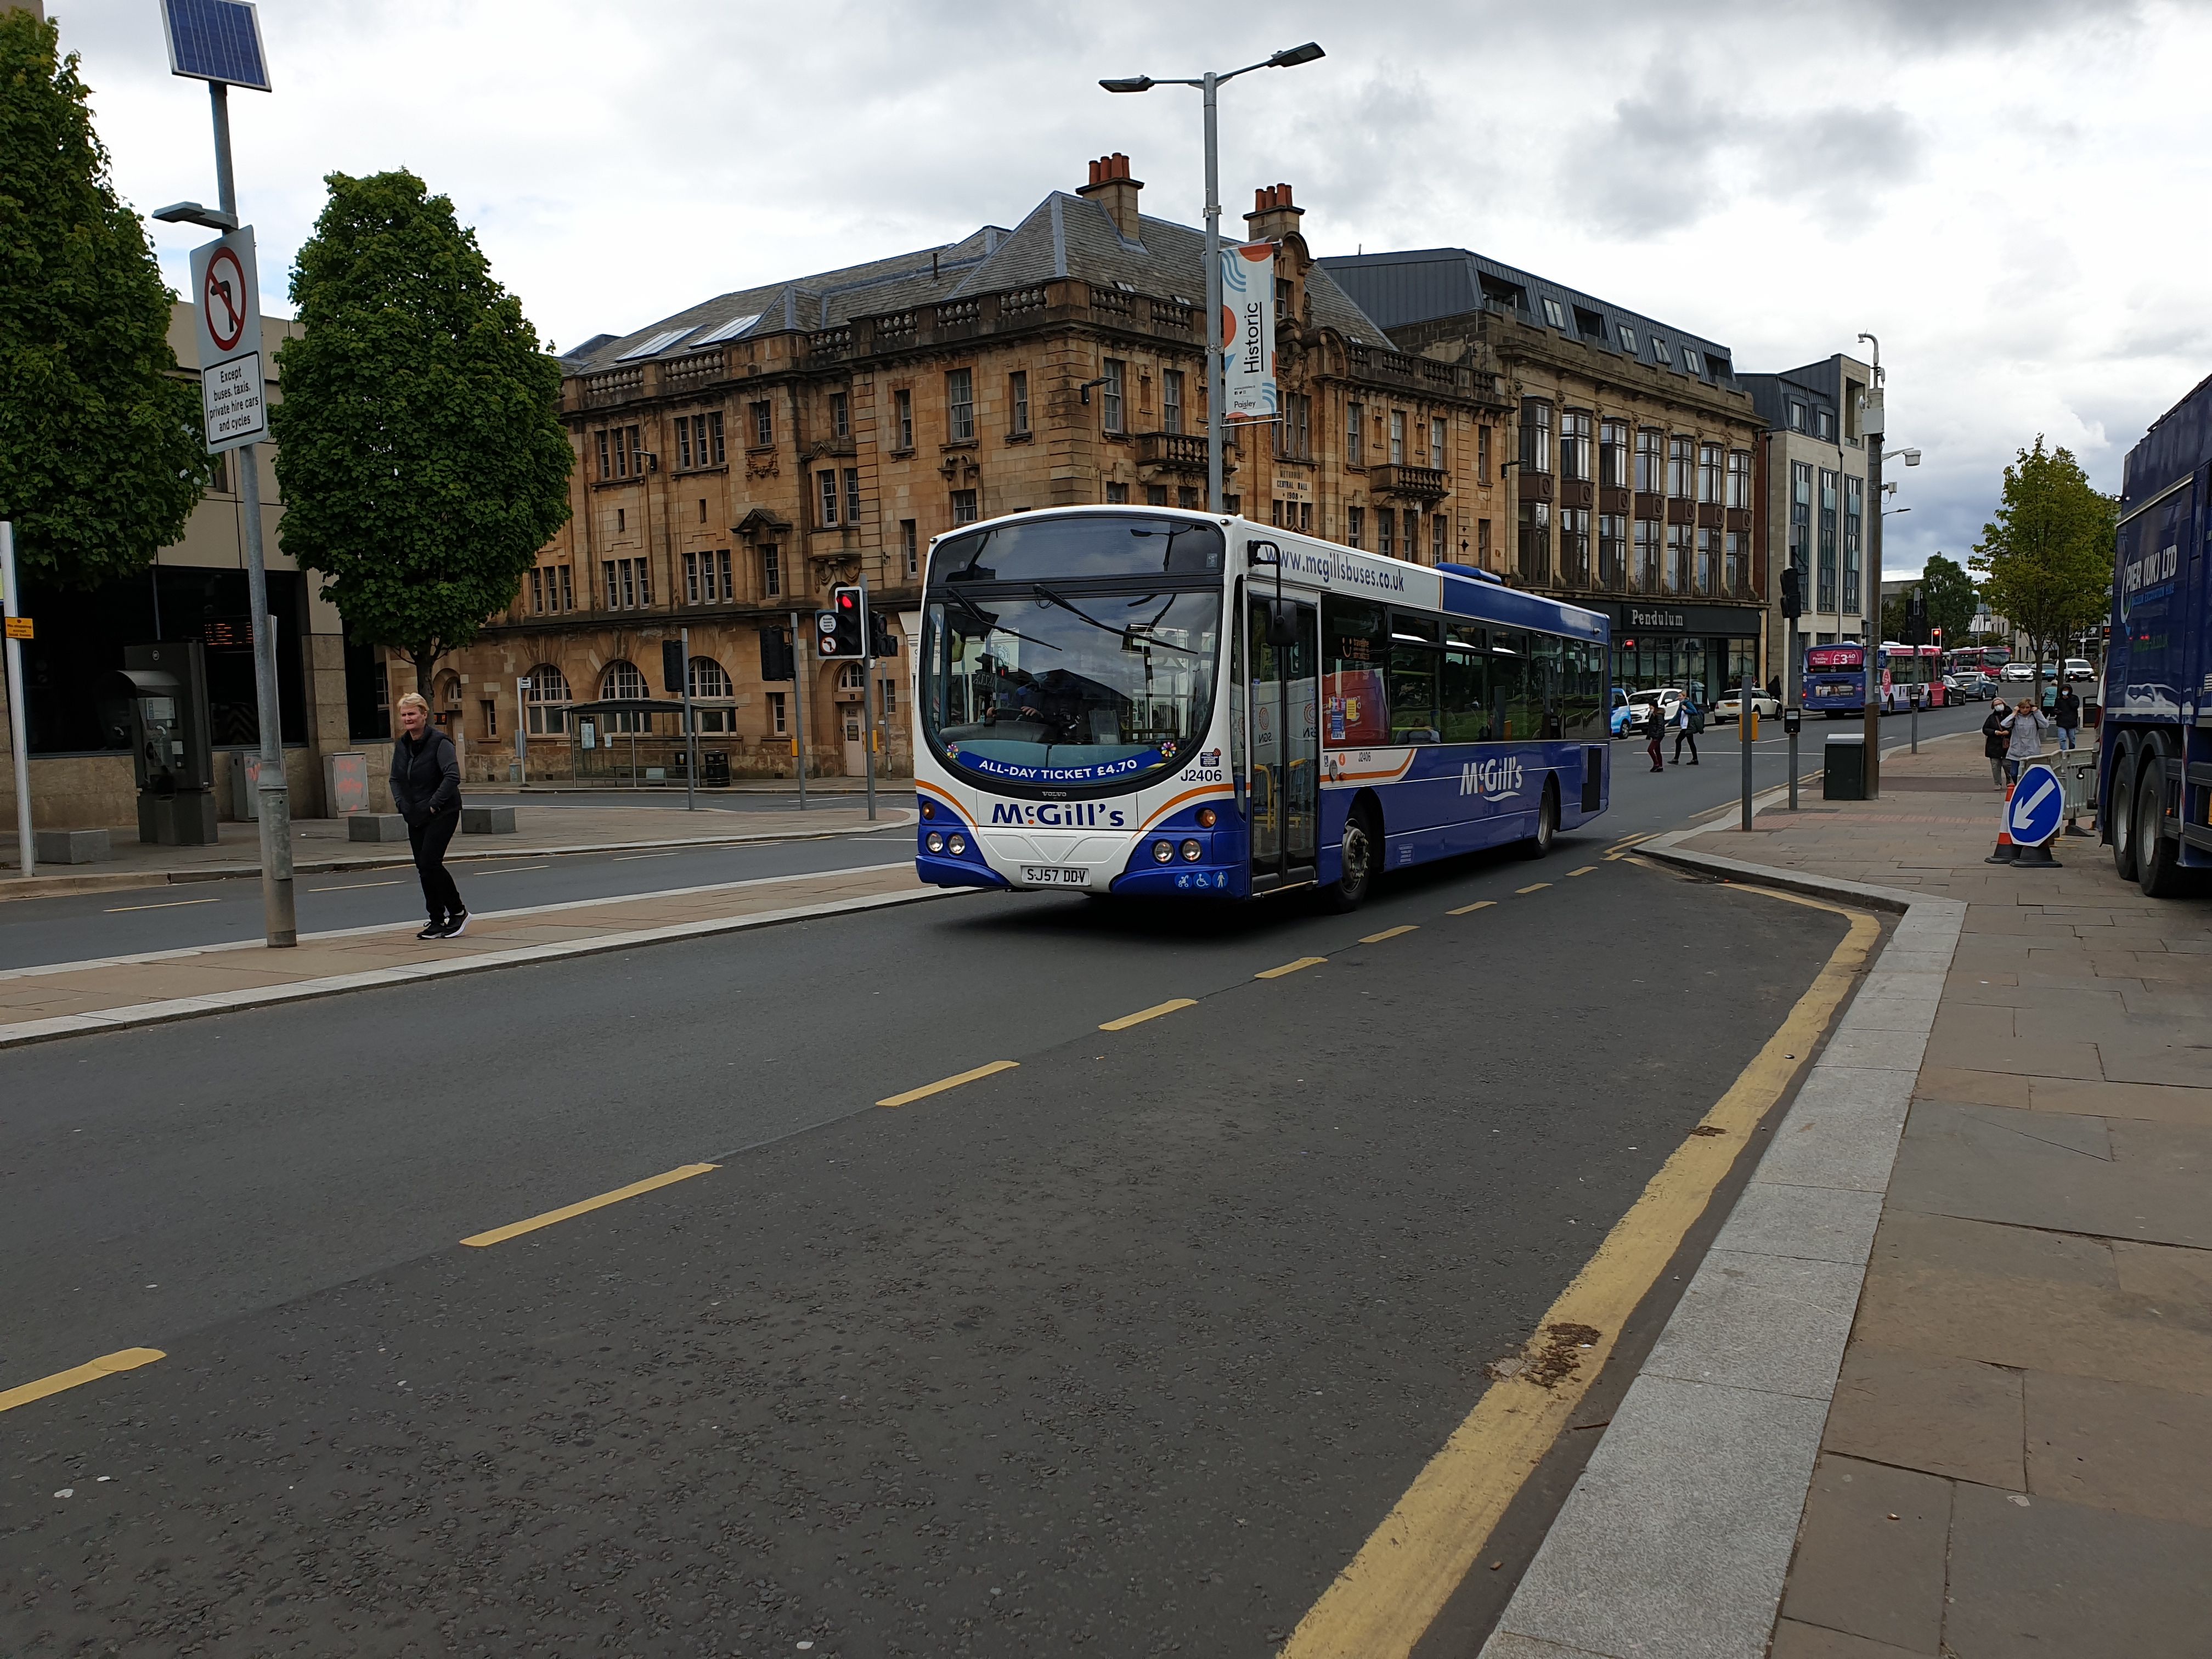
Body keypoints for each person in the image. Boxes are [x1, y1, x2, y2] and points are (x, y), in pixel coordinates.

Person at [389, 691, 467, 939]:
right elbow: (395, 779)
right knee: (423, 868)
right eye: (404, 715)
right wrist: (403, 806)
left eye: (412, 714)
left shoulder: (440, 742)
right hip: (415, 814)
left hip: (443, 811)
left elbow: (452, 776)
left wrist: (433, 805)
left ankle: (458, 912)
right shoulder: (402, 745)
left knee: (431, 863)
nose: (407, 719)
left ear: (424, 715)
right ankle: (436, 920)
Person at [2002, 696, 2053, 785]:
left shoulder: (2034, 717)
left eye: (2027, 708)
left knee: (2030, 773)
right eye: (2023, 708)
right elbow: (2004, 724)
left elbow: (2045, 725)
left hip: (2031, 749)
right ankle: (2018, 786)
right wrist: (2014, 713)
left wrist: (2038, 713)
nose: (2025, 710)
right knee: (2014, 773)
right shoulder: (2016, 718)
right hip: (2016, 750)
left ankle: (2027, 788)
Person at [1982, 699, 2011, 791]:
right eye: (1996, 705)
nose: (1998, 706)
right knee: (1995, 765)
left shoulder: (2011, 716)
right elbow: (1985, 729)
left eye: (2000, 704)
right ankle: (1997, 783)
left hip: (2007, 744)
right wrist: (1994, 732)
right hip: (1994, 745)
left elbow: (2016, 727)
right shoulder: (1992, 717)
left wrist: (2008, 732)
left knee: (2008, 765)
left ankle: (2010, 781)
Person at [1673, 695, 1701, 765]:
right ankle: (1695, 759)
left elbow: (1695, 712)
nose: (1678, 697)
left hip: (1688, 727)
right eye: (1678, 696)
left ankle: (1676, 759)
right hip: (1685, 727)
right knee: (1690, 742)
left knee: (1679, 741)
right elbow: (1677, 716)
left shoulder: (1688, 703)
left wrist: (1686, 710)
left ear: (1684, 696)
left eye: (1680, 696)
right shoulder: (1681, 704)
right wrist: (1668, 724)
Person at [2053, 684, 2082, 752]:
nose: (2065, 691)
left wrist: (2068, 699)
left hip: (2072, 722)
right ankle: (2064, 752)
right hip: (2062, 722)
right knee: (2062, 738)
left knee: (2072, 739)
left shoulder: (2074, 698)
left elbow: (2075, 706)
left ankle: (2071, 752)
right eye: (2064, 690)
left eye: (2067, 690)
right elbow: (2054, 709)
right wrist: (2057, 712)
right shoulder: (2059, 700)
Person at [1644, 700, 1667, 772]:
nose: (1649, 707)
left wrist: (1657, 736)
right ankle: (1660, 766)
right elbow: (1651, 726)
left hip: (1658, 735)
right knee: (1657, 751)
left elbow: (1660, 726)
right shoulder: (1652, 713)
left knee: (1650, 750)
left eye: (1650, 706)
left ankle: (1656, 764)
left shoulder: (1658, 714)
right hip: (1655, 734)